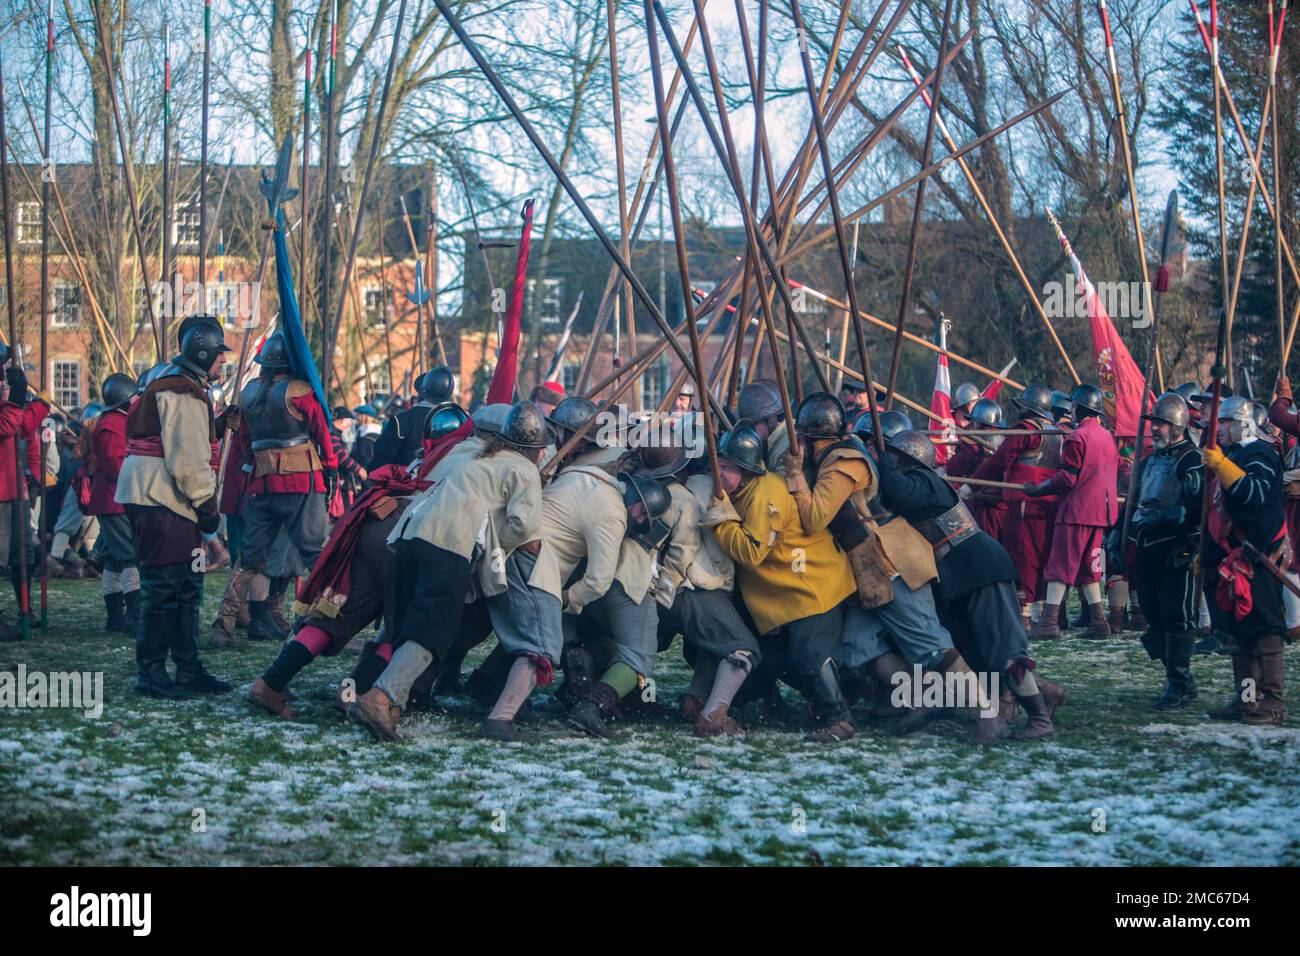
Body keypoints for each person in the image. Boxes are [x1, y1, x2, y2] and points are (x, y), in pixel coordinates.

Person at [347, 401, 549, 742]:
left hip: (408, 538)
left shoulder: (478, 455)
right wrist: (495, 546)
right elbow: (523, 527)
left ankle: (391, 704)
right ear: (537, 449)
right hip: (448, 545)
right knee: (432, 631)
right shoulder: (524, 469)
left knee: (410, 625)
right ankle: (380, 698)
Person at [877, 429, 1063, 739]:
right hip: (962, 577)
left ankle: (1040, 718)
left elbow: (899, 492)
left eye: (896, 457)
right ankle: (1044, 692)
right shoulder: (923, 485)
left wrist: (884, 463)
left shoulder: (925, 481)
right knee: (977, 652)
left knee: (1005, 650)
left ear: (908, 459)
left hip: (980, 569)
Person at [704, 421, 860, 742]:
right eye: (717, 466)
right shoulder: (743, 491)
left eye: (727, 468)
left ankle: (838, 718)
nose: (719, 476)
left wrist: (721, 522)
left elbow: (751, 552)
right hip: (783, 595)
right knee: (768, 657)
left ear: (746, 470)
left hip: (811, 584)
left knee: (808, 656)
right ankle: (777, 702)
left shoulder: (765, 495)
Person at [114, 315, 234, 696]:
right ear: (202, 351)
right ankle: (150, 673)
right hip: (162, 499)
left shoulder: (187, 386)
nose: (222, 362)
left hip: (171, 500)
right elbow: (187, 459)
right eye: (218, 354)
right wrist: (208, 510)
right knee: (163, 588)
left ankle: (187, 668)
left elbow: (190, 439)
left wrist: (215, 425)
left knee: (186, 586)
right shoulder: (181, 390)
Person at [635, 445, 761, 736]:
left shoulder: (653, 494)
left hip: (665, 588)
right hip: (692, 589)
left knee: (712, 644)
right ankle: (713, 715)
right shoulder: (701, 488)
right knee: (742, 648)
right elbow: (682, 553)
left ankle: (695, 699)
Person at [233, 332, 338, 641]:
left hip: (263, 483)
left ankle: (225, 622)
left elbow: (243, 442)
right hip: (301, 480)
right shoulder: (300, 391)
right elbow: (322, 433)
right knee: (315, 553)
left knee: (251, 557)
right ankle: (330, 619)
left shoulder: (249, 392)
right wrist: (331, 467)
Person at [1203, 396, 1288, 725]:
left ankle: (1274, 702)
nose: (1218, 428)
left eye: (1225, 423)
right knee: (1242, 635)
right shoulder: (1236, 454)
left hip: (1260, 554)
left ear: (1244, 424)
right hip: (1234, 555)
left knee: (1265, 631)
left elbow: (1252, 493)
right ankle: (1248, 700)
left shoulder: (1261, 454)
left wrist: (1222, 466)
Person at [1126, 392, 1204, 710]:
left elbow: (1197, 507)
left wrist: (1171, 520)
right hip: (1147, 548)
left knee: (1177, 617)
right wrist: (1120, 535)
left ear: (1177, 425)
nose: (1155, 429)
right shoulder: (1148, 462)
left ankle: (1179, 682)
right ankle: (1178, 679)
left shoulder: (1191, 459)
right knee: (1154, 615)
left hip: (1177, 548)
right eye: (1154, 423)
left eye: (1160, 424)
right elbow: (1134, 503)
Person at [1025, 384, 1119, 640]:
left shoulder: (1077, 438)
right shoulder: (1108, 437)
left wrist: (1038, 489)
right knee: (1090, 570)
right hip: (1101, 513)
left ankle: (1049, 622)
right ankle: (1099, 622)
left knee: (1059, 567)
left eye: (1075, 407)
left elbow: (1067, 477)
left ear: (1083, 408)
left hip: (1076, 512)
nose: (1071, 411)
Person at [971, 384, 1061, 627]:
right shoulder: (1058, 431)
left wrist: (972, 485)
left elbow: (1001, 460)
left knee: (1024, 557)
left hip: (1024, 503)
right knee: (1042, 556)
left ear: (1027, 409)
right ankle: (1042, 613)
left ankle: (1025, 616)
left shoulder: (1026, 430)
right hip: (1049, 504)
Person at [85, 373, 141, 633]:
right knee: (129, 556)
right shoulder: (111, 425)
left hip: (116, 498)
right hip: (114, 499)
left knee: (115, 560)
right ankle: (133, 615)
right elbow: (116, 466)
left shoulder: (118, 421)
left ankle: (116, 618)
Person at [0, 352, 48, 640]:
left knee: (22, 555)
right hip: (2, 491)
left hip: (12, 488)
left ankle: (25, 608)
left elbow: (22, 426)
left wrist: (35, 407)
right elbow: (8, 425)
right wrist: (20, 401)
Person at [944, 397, 1008, 540]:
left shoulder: (972, 443)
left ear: (978, 422)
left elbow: (954, 469)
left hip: (981, 506)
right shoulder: (1006, 440)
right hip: (1003, 507)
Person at [370, 366, 457, 468]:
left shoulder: (402, 420)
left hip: (407, 481)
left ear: (422, 391)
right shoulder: (458, 421)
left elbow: (380, 461)